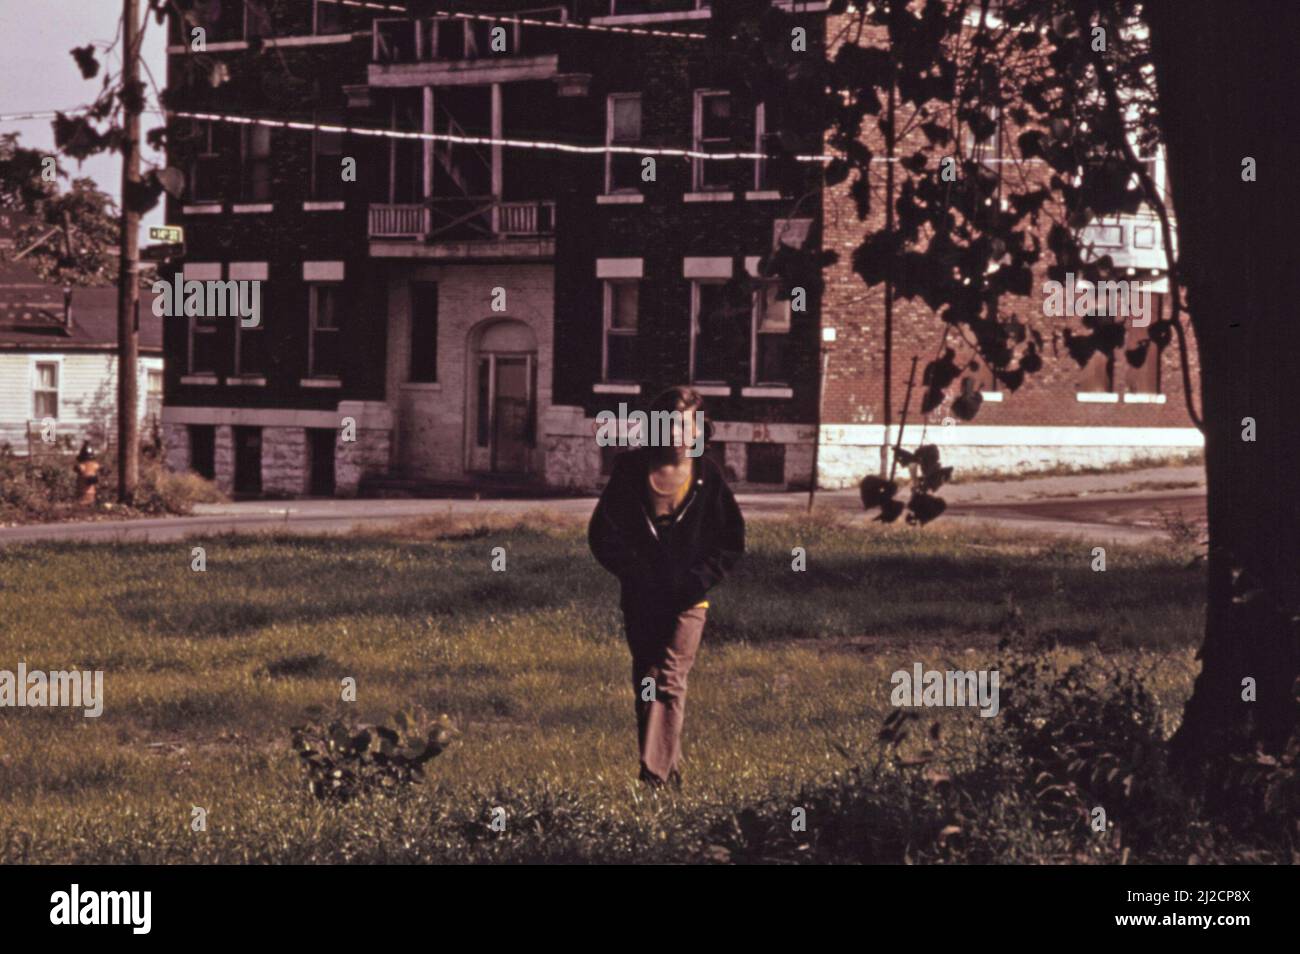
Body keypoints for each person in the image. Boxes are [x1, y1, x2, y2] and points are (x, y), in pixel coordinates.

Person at [587, 386, 745, 788]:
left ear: (700, 428)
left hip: (690, 600)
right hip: (641, 596)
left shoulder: (708, 476)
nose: (678, 432)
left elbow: (731, 540)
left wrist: (698, 579)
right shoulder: (630, 471)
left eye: (687, 424)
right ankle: (668, 770)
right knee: (646, 679)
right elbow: (603, 534)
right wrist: (635, 572)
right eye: (671, 423)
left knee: (671, 677)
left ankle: (653, 776)